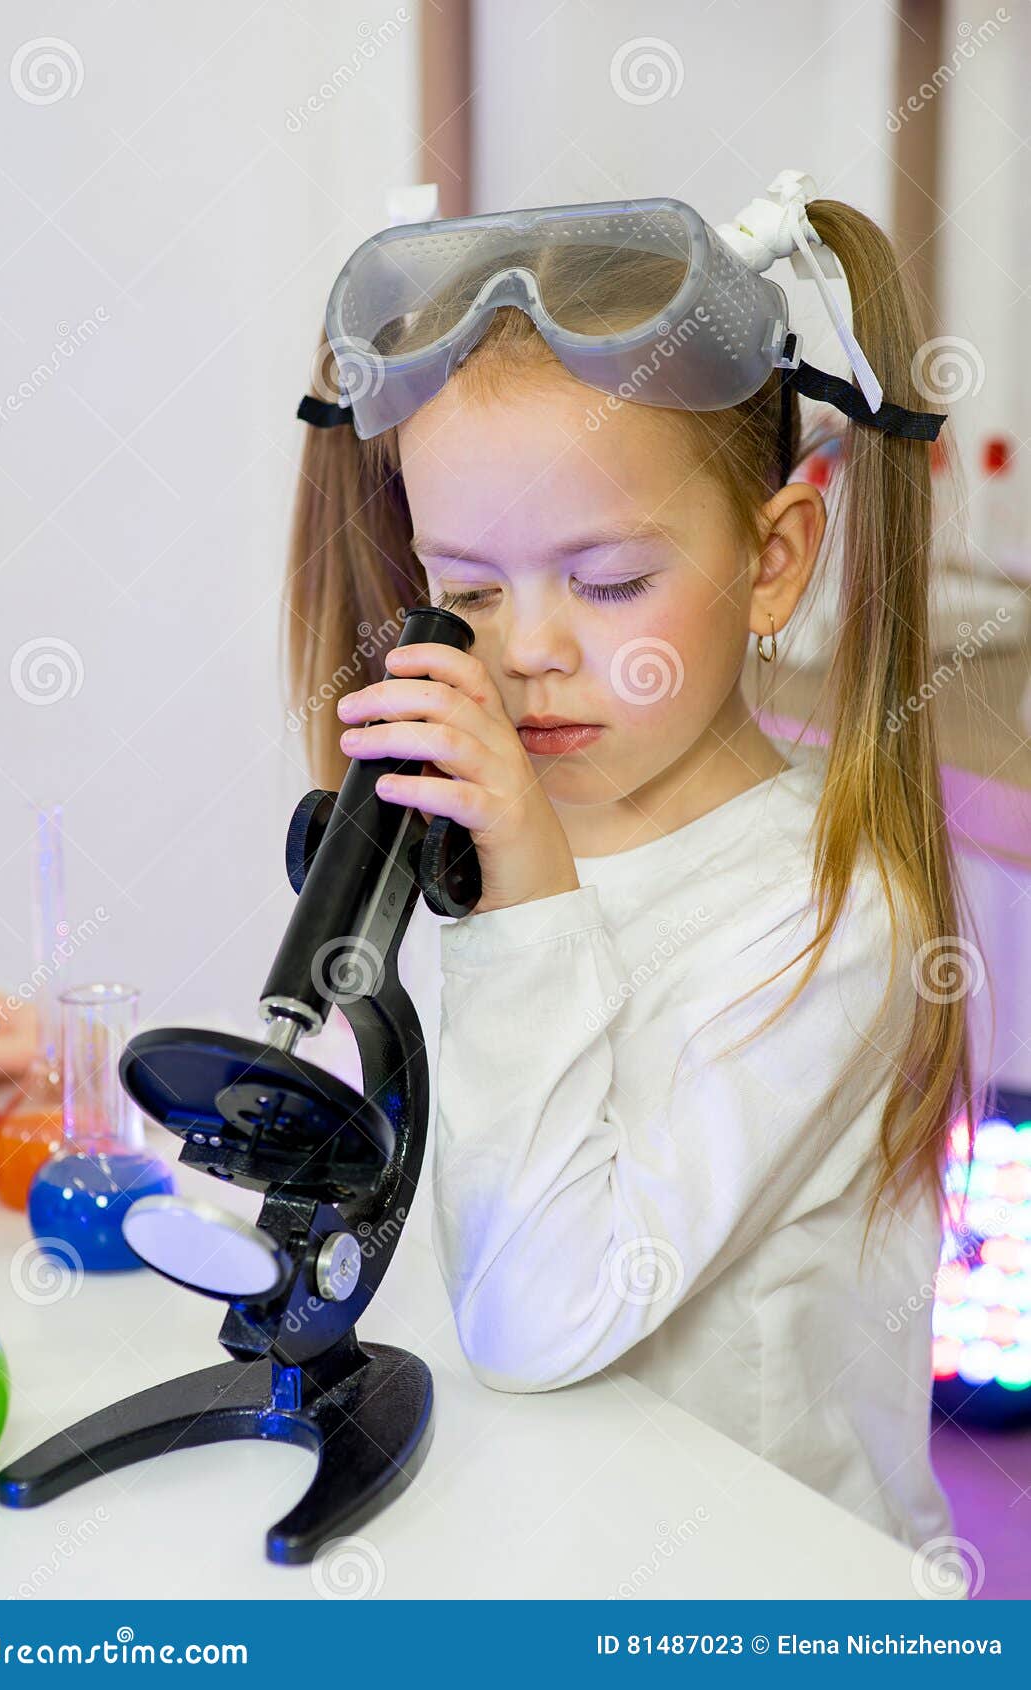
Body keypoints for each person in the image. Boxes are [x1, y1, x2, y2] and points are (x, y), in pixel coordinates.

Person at [281, 172, 987, 1550]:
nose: (528, 648)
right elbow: (447, 1177)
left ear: (775, 559)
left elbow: (540, 1313)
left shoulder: (832, 912)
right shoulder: (488, 820)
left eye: (607, 583)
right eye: (470, 589)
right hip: (546, 1539)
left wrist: (526, 897)